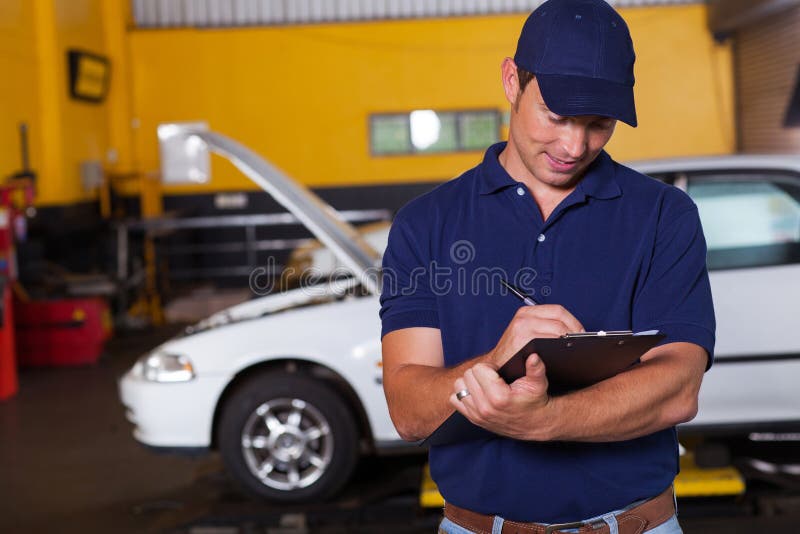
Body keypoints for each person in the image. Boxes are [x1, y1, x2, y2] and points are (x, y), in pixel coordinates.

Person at [379, 0, 716, 533]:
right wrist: (495, 362)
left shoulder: (663, 216)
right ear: (512, 80)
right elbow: (408, 410)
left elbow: (679, 388)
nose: (573, 145)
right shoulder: (426, 225)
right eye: (556, 116)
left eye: (598, 124)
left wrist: (543, 420)